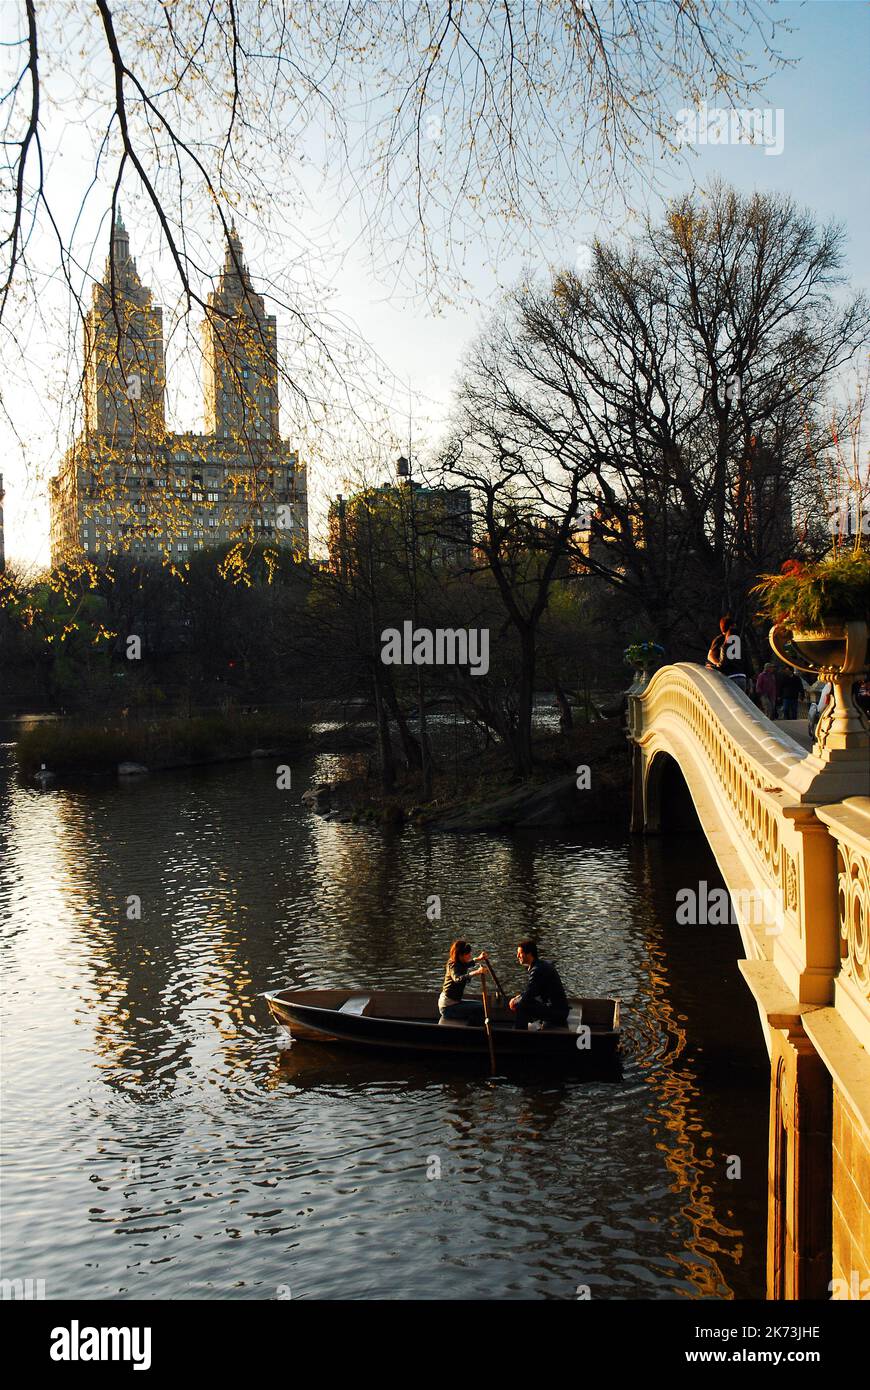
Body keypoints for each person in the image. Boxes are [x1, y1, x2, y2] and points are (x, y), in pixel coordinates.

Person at [509, 940, 570, 1030]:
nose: (517, 956)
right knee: (521, 1001)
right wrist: (519, 997)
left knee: (521, 1004)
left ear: (529, 954)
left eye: (520, 953)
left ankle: (519, 1034)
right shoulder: (541, 965)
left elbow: (528, 995)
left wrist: (515, 1001)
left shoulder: (537, 970)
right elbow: (532, 990)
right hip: (560, 1011)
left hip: (557, 1013)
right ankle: (527, 1026)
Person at [438, 940, 488, 1024]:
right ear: (460, 955)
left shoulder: (459, 962)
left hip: (454, 1003)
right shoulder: (453, 965)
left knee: (481, 1005)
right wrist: (477, 972)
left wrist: (478, 959)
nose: (470, 956)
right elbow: (457, 979)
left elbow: (466, 964)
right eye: (468, 954)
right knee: (480, 1009)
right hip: (448, 1007)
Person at [706, 614, 749, 693]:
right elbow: (746, 660)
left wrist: (716, 666)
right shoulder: (738, 640)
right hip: (742, 676)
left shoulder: (724, 643)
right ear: (730, 627)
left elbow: (711, 656)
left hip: (729, 676)